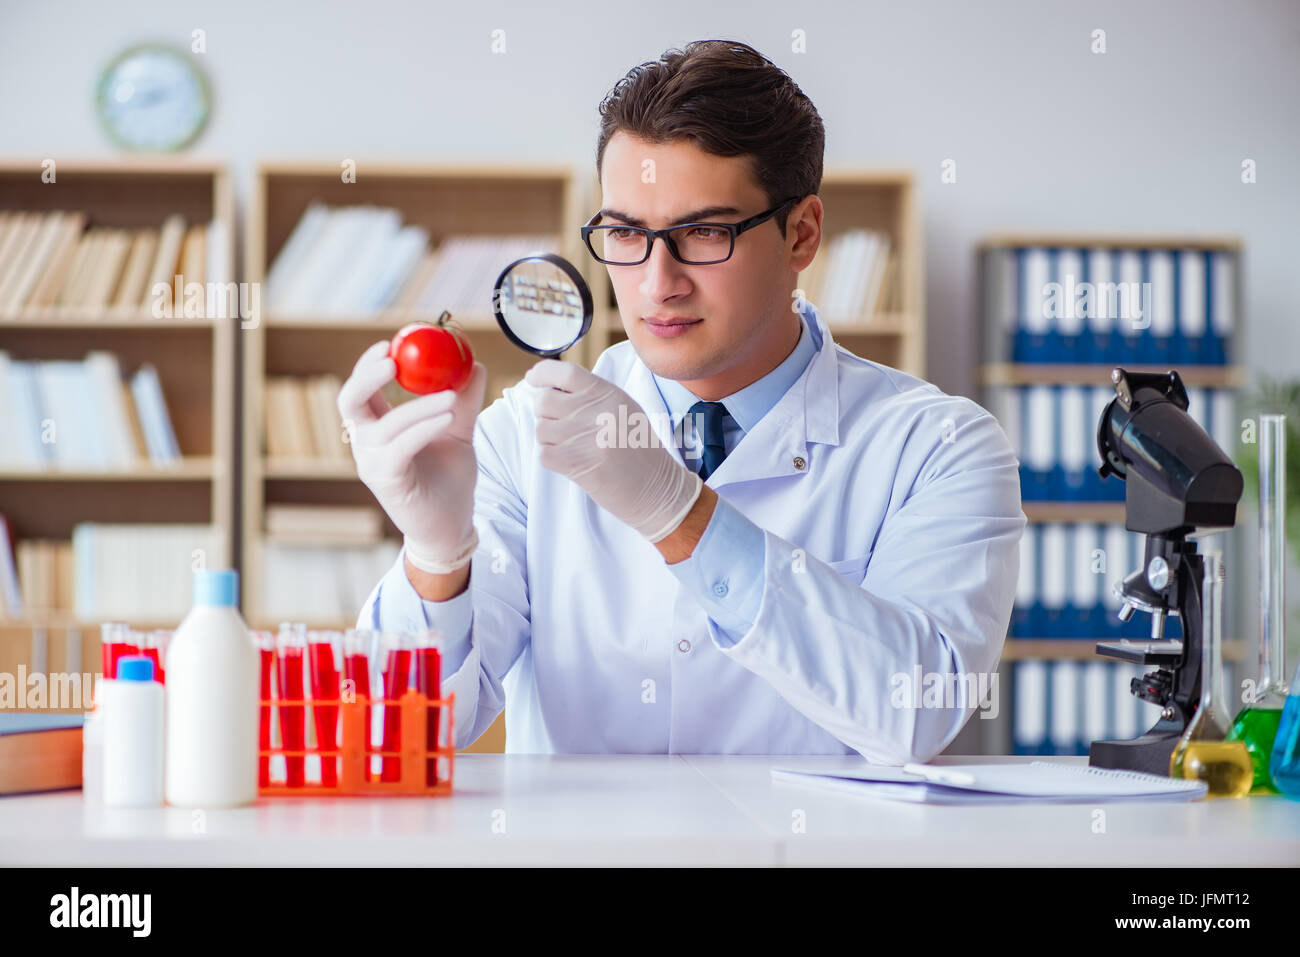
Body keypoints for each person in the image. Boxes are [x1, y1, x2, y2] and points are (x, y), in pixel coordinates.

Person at [340, 39, 1025, 762]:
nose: (657, 282)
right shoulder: (518, 439)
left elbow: (917, 711)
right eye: (627, 233)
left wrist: (680, 513)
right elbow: (398, 740)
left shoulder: (940, 447)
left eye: (704, 232)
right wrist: (437, 557)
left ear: (802, 233)